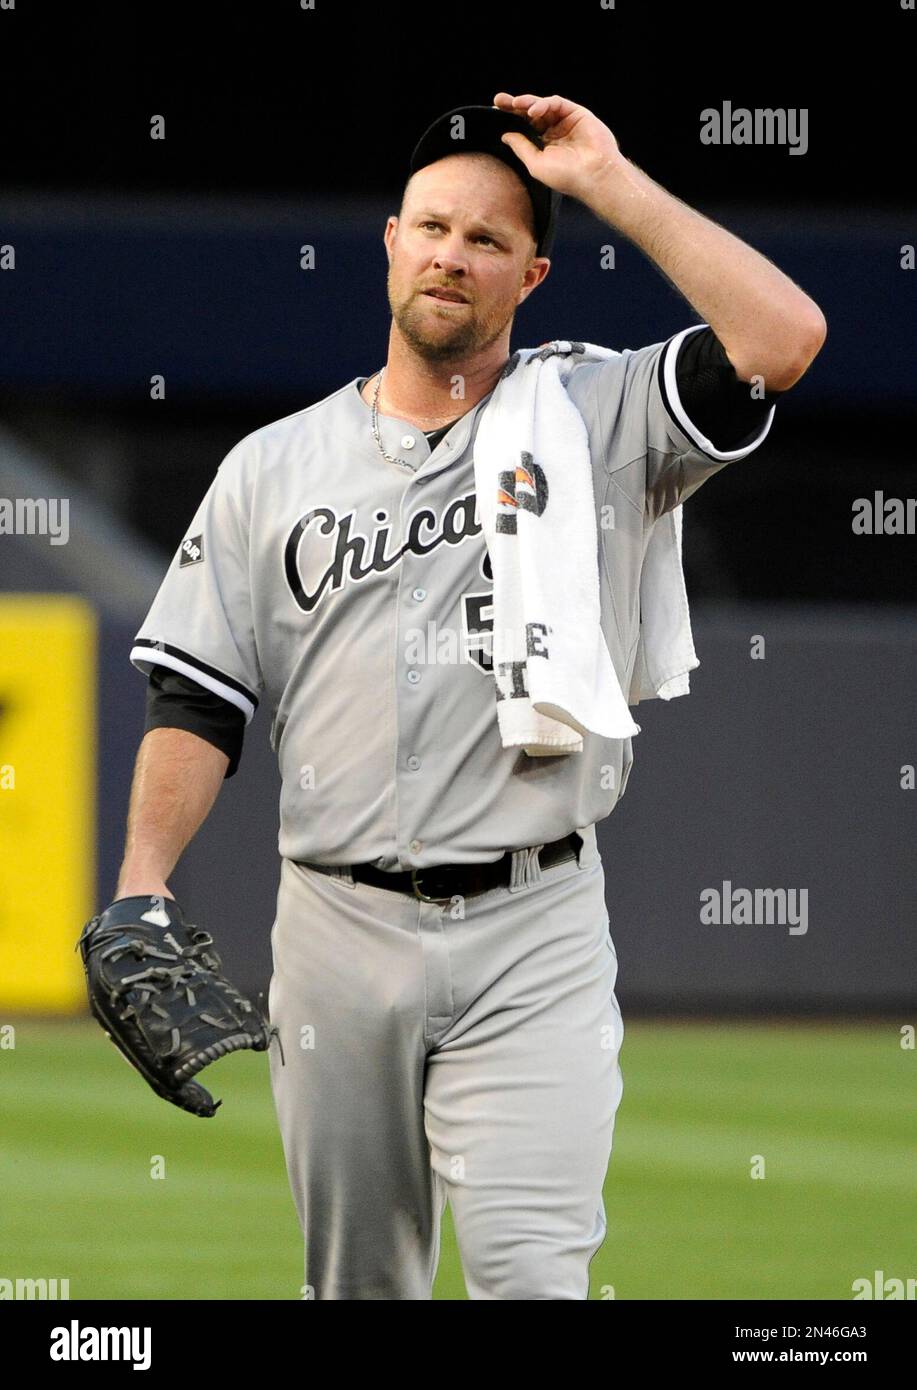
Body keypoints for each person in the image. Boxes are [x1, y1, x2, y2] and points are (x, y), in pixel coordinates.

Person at [117, 93, 826, 1299]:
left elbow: (781, 337)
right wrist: (140, 886)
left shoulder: (594, 415)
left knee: (532, 1279)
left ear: (532, 272)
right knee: (355, 1288)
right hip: (334, 928)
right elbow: (197, 703)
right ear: (390, 240)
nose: (452, 253)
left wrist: (609, 181)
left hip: (530, 923)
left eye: (487, 239)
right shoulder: (269, 469)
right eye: (432, 226)